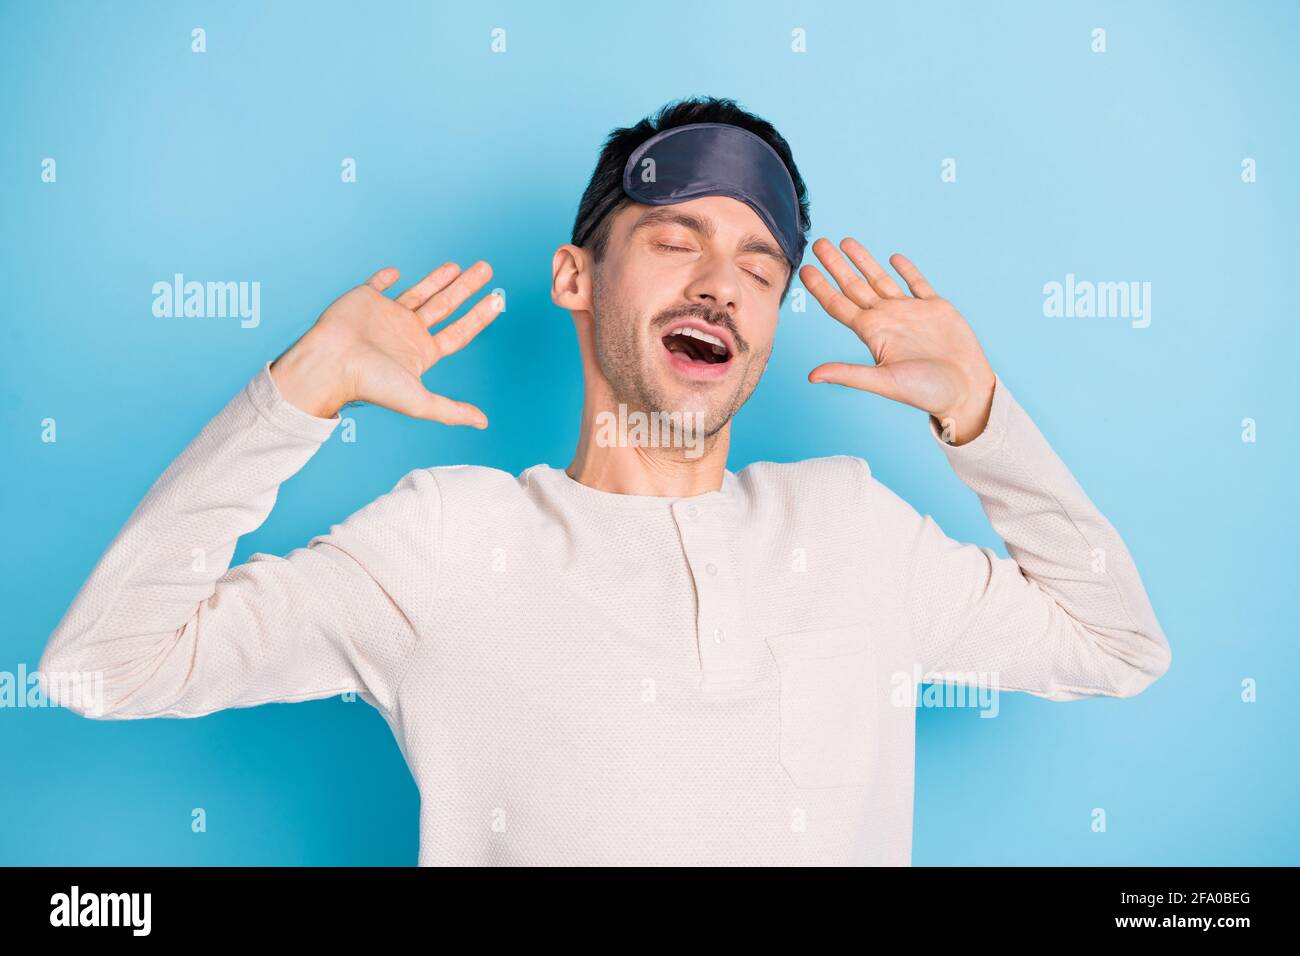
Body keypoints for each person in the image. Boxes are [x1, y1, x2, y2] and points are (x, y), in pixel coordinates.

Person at [38, 96, 1171, 866]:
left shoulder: (855, 527)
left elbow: (1120, 646)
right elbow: (103, 667)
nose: (720, 282)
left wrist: (980, 416)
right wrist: (295, 397)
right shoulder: (445, 538)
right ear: (576, 276)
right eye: (675, 239)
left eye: (758, 263)